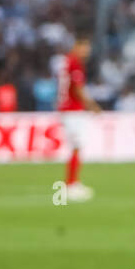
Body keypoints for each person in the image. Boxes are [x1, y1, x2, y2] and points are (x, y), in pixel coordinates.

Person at [54, 33, 101, 202]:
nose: (87, 51)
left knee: (76, 146)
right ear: (77, 47)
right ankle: (71, 184)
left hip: (68, 109)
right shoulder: (74, 63)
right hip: (73, 110)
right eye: (85, 48)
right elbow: (78, 89)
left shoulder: (66, 61)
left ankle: (73, 182)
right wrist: (92, 105)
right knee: (76, 146)